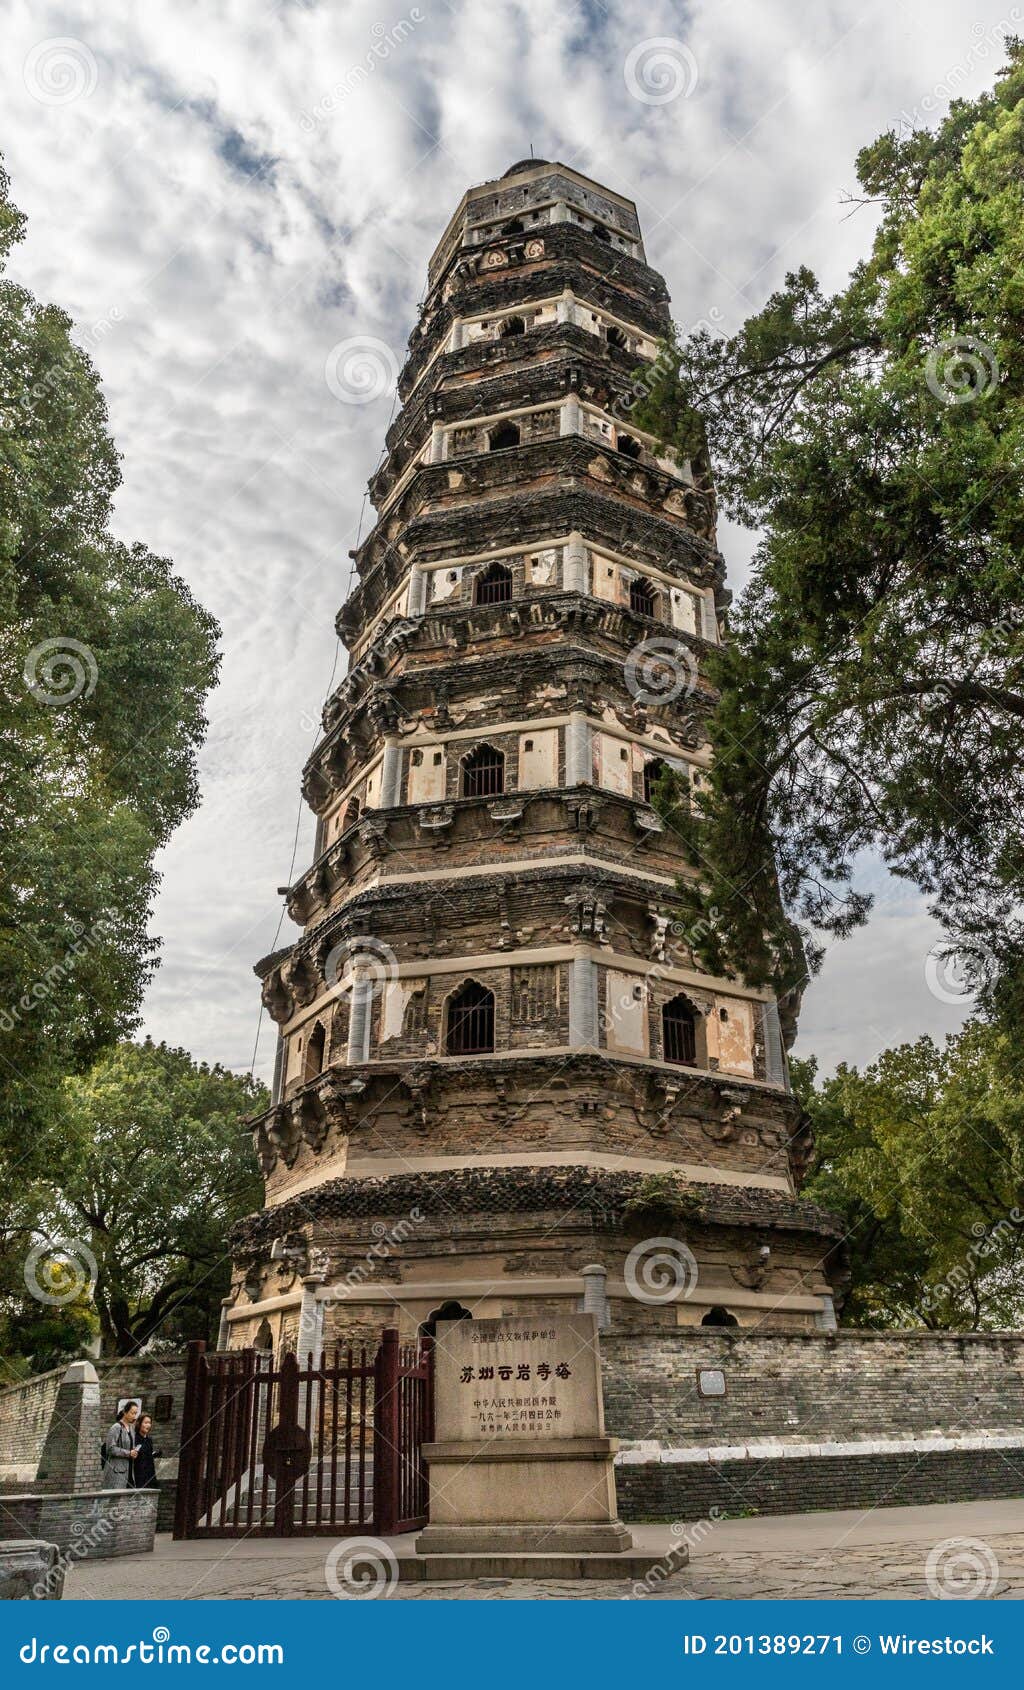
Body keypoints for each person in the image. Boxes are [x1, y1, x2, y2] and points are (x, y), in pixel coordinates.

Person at [102, 1400, 139, 1489]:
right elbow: (110, 1449)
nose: (134, 1416)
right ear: (125, 1412)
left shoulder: (131, 1428)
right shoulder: (116, 1427)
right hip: (116, 1472)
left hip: (129, 1471)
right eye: (132, 1413)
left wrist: (134, 1452)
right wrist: (128, 1453)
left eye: (135, 1413)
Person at [129, 1411, 160, 1490]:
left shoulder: (149, 1440)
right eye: (146, 1422)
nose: (148, 1425)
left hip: (149, 1474)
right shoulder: (134, 1438)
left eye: (149, 1423)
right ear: (139, 1424)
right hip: (138, 1475)